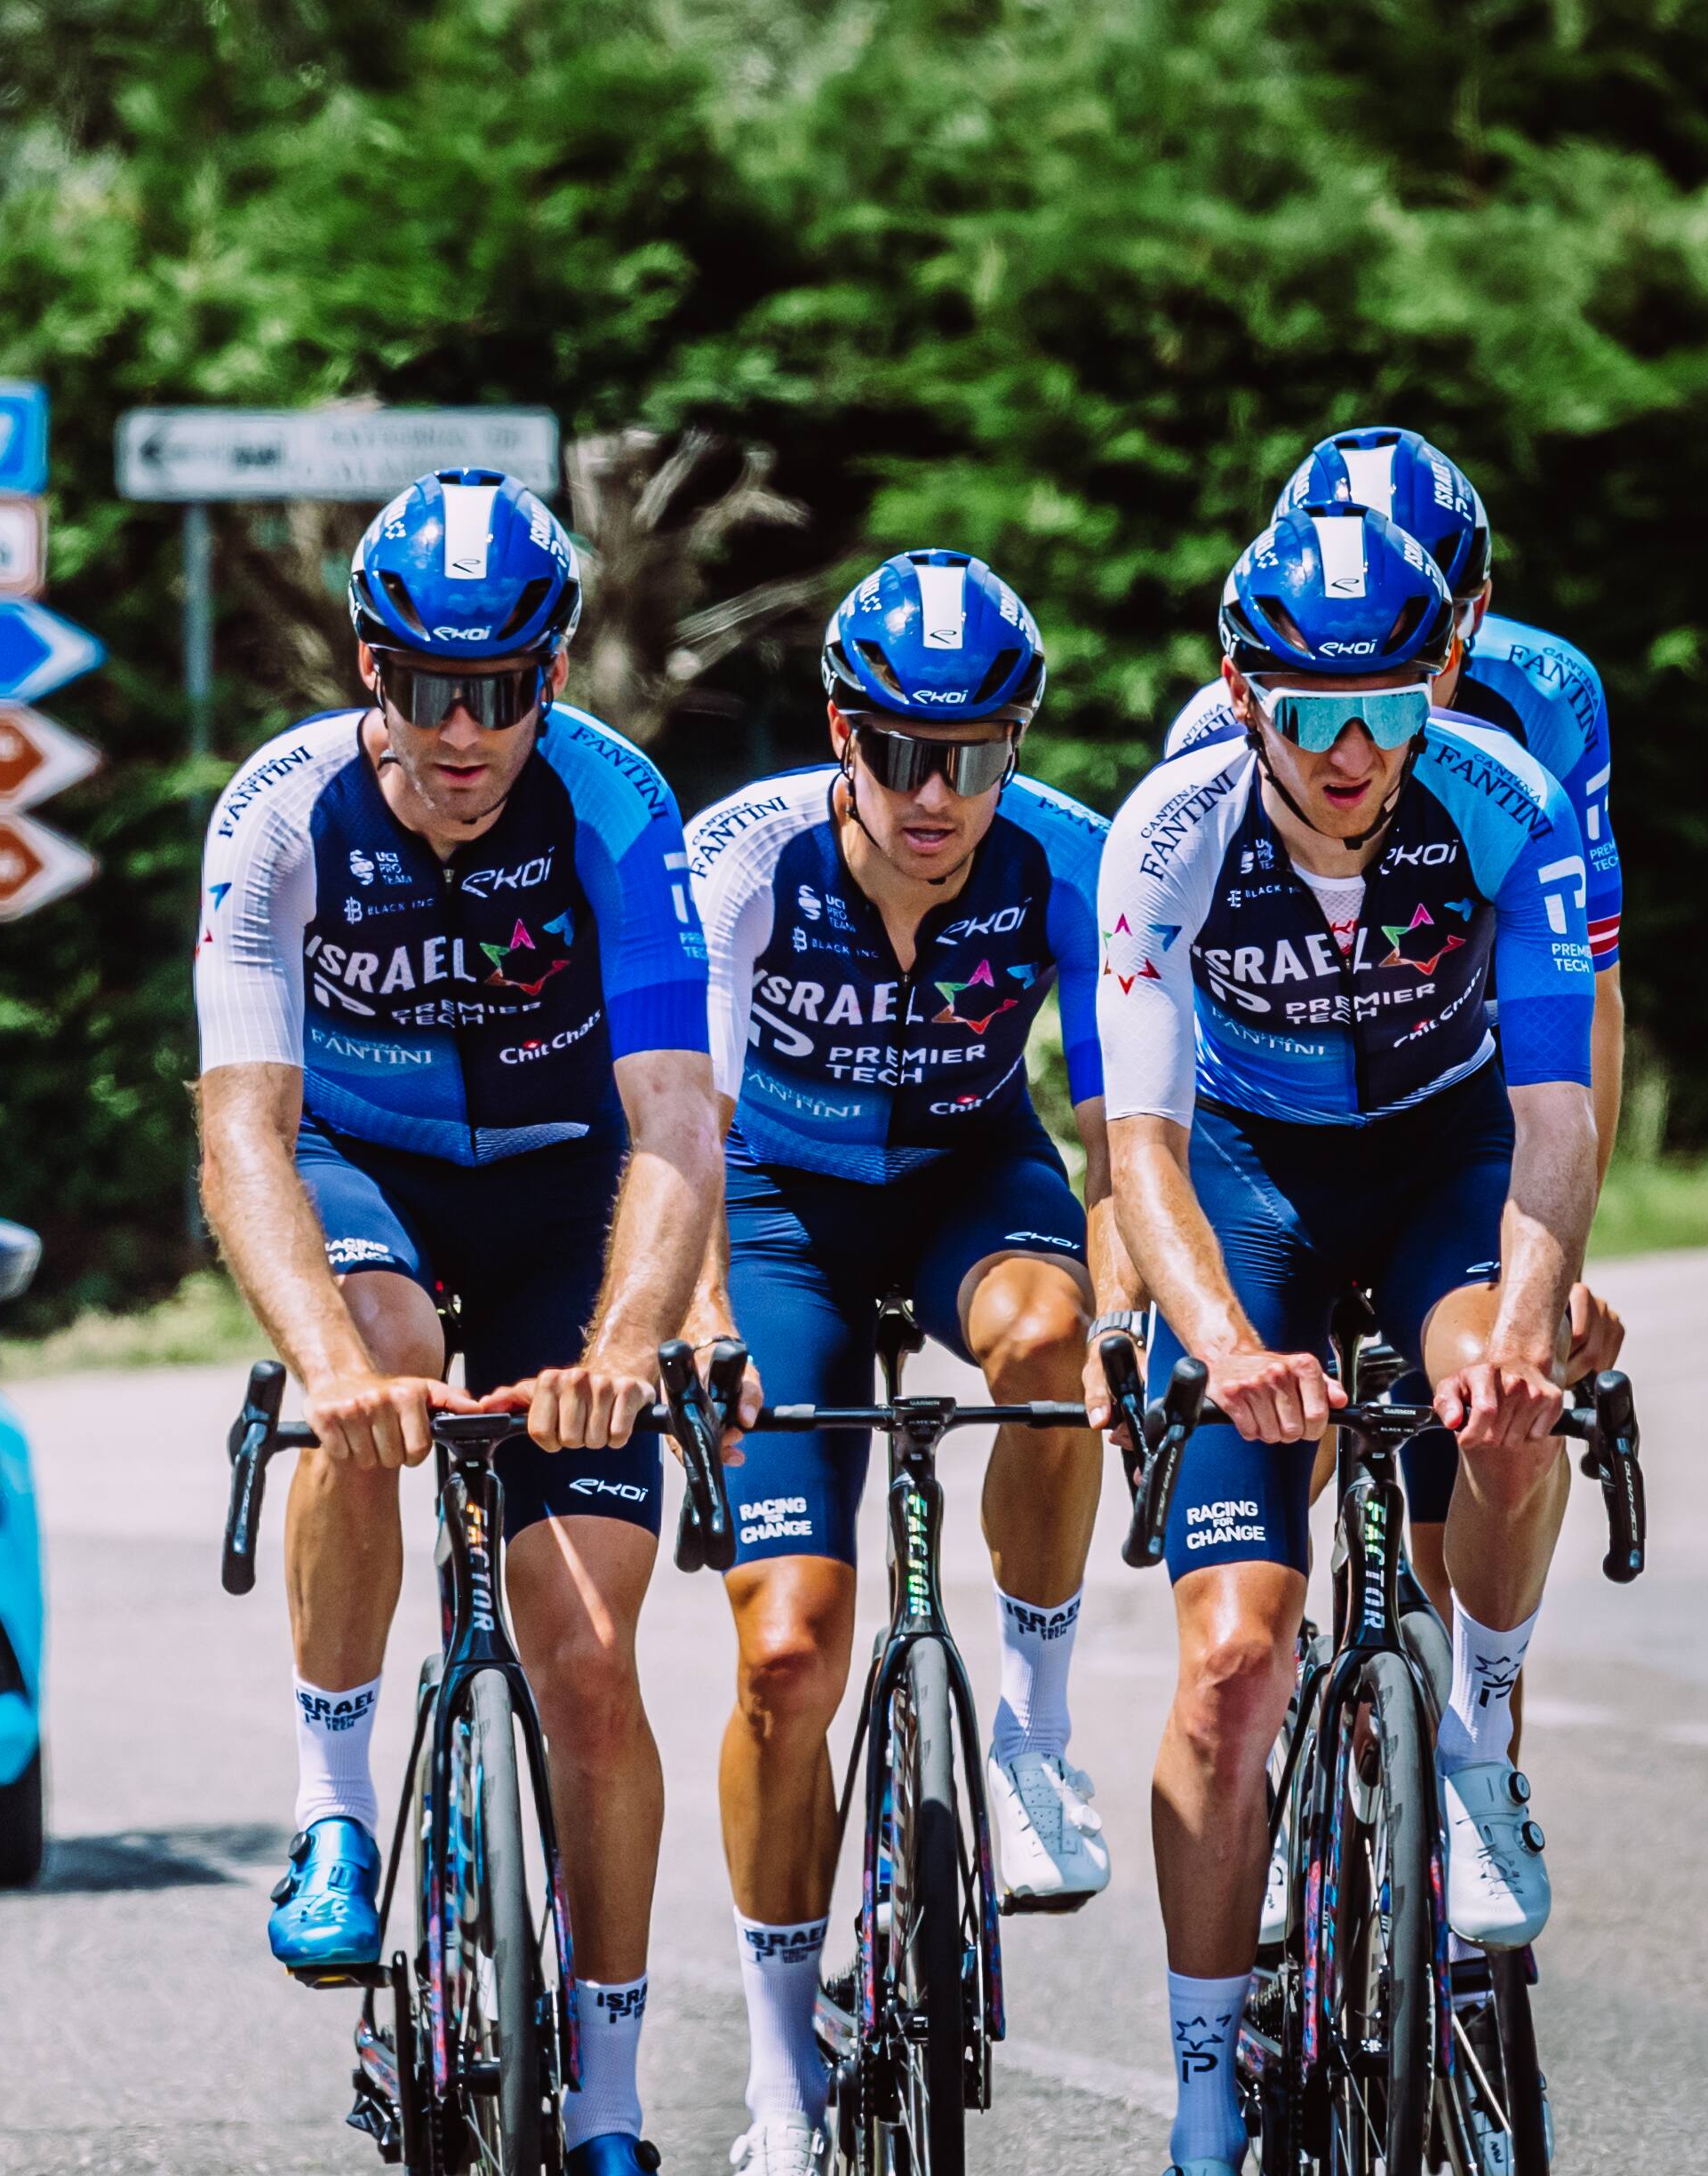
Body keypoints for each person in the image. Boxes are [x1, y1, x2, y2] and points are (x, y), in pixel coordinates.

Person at [193, 469, 721, 2176]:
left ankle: (612, 2098)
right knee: (384, 1365)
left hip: (567, 1189)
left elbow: (672, 1117)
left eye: (505, 687)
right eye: (430, 685)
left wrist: (631, 1339)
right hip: (364, 1169)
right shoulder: (276, 814)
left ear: (550, 677)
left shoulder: (617, 806)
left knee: (582, 1663)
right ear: (370, 666)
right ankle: (334, 1808)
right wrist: (329, 1373)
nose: (467, 726)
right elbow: (242, 1127)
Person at [1096, 501, 1617, 2176]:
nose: (1345, 746)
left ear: (1438, 679)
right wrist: (1220, 1343)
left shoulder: (1500, 803)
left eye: (1387, 702)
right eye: (1306, 705)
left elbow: (1550, 1115)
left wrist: (1525, 1328)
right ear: (1241, 687)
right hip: (1244, 1176)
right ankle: (1199, 2075)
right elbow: (1139, 1148)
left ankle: (1478, 1736)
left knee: (1503, 1406)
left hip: (1441, 1151)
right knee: (1236, 1662)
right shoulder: (1168, 828)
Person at [679, 550, 1138, 2176]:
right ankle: (777, 2070)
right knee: (787, 1657)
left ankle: (1027, 1732)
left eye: (977, 754)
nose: (937, 791)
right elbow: (686, 1119)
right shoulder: (736, 858)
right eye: (897, 752)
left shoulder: (1071, 860)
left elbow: (1119, 1135)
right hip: (779, 1205)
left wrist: (1133, 1300)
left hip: (965, 1179)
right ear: (838, 735)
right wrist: (696, 1321)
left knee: (1046, 1338)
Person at [1162, 426, 1625, 1625]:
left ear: (1471, 605)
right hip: (1270, 1125)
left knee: (1485, 1464)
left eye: (1430, 626)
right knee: (1277, 1470)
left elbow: (1591, 1004)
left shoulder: (1545, 700)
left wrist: (1559, 1264)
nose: (1383, 669)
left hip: (1455, 1095)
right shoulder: (1223, 740)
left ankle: (1479, 1755)